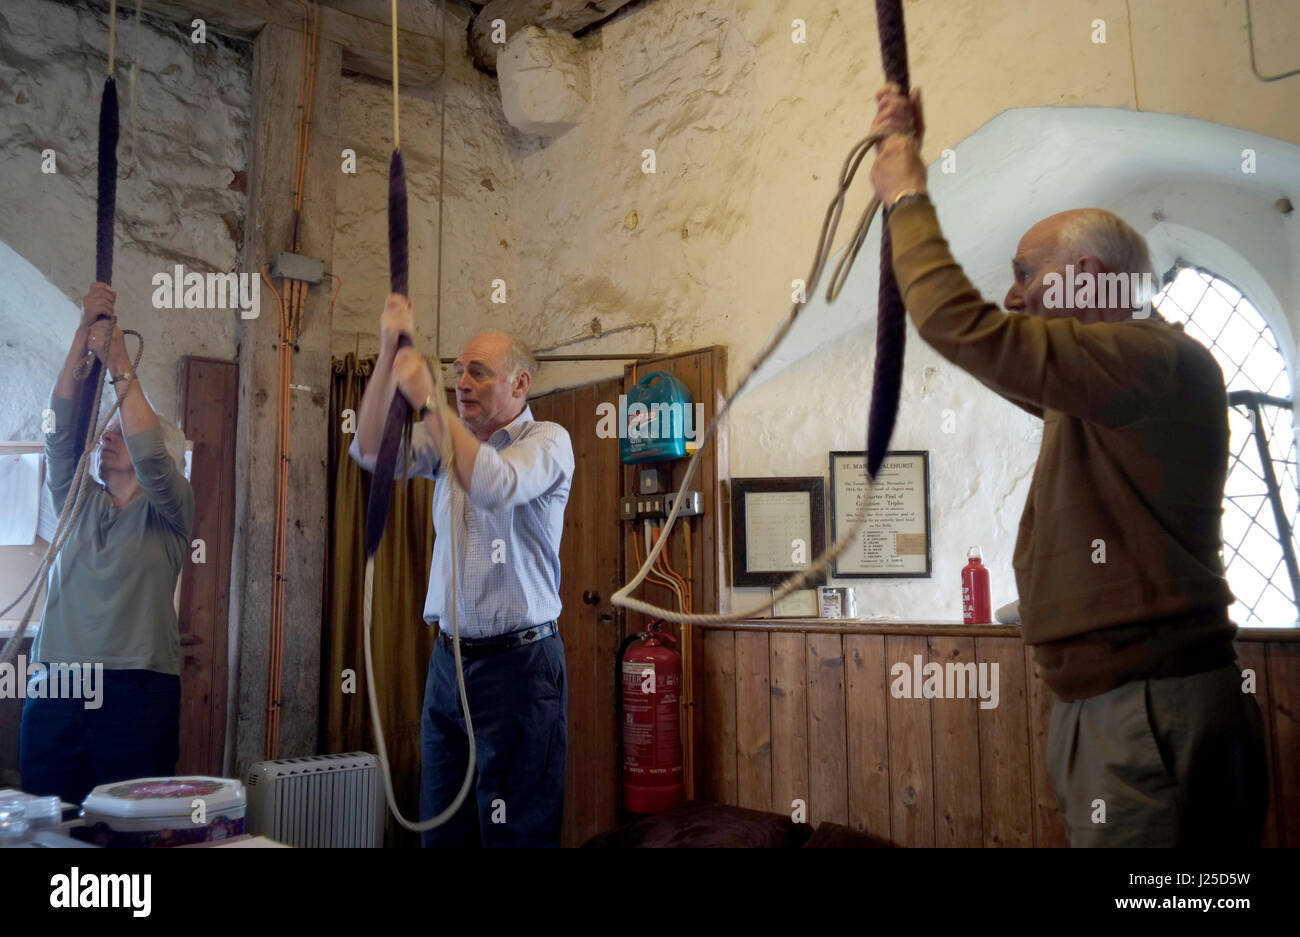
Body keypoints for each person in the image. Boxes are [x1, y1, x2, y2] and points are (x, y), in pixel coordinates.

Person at [868, 85, 1267, 846]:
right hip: (1130, 704)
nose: (1015, 297)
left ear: (1085, 277)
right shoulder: (1111, 384)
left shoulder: (1147, 360)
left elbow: (963, 326)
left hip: (1146, 708)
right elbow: (987, 347)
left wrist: (907, 197)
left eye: (1026, 273)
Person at [350, 294, 574, 847]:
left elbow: (495, 484)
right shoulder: (447, 441)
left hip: (520, 669)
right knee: (441, 832)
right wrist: (387, 350)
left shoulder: (548, 443)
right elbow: (369, 452)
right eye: (456, 372)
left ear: (520, 385)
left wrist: (426, 397)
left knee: (514, 836)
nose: (461, 382)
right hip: (449, 666)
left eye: (478, 372)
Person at [21, 282, 194, 806]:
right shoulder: (78, 498)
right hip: (57, 683)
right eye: (108, 431)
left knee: (129, 829)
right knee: (50, 821)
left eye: (118, 429)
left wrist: (119, 362)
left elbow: (153, 459)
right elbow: (59, 430)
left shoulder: (171, 509)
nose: (106, 437)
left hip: (136, 693)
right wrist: (82, 336)